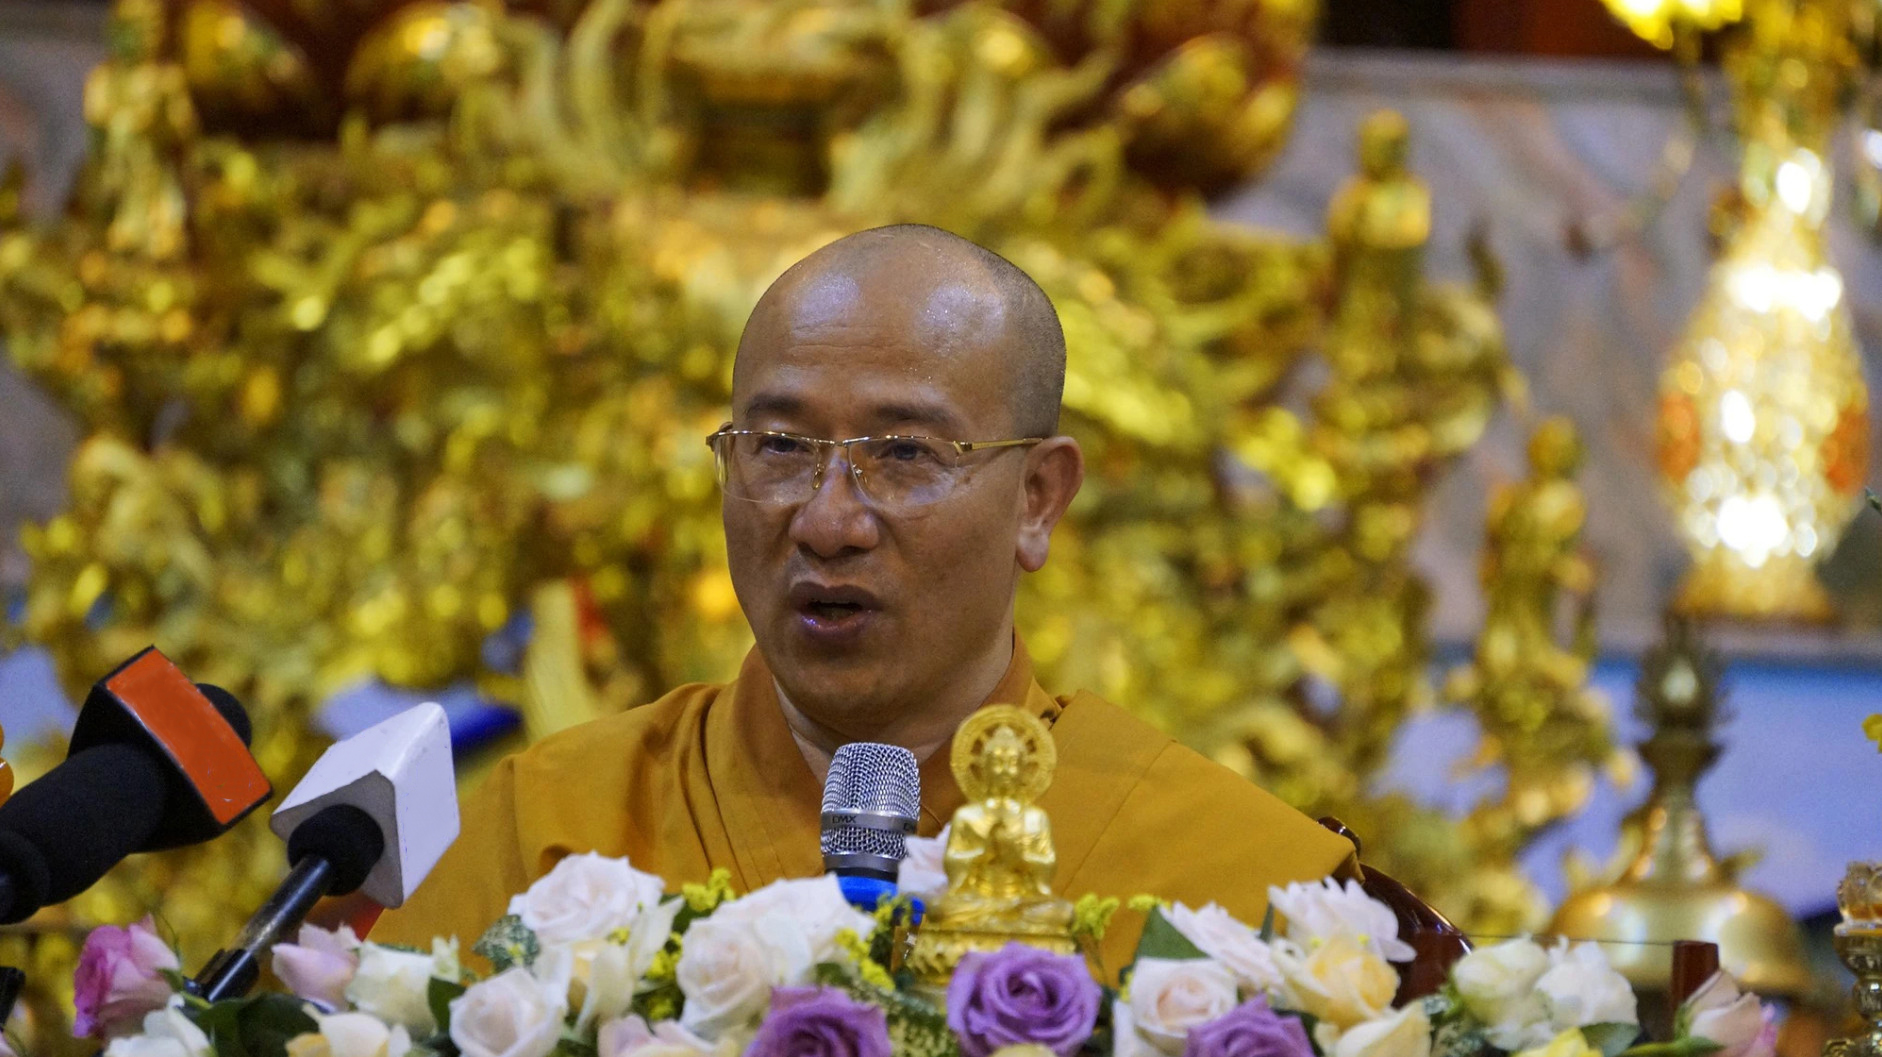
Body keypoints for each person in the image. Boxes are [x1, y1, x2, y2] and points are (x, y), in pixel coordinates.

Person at [371, 224, 1355, 966]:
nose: (827, 521)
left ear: (1038, 499)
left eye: (904, 454)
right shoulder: (552, 826)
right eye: (782, 448)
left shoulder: (1230, 875)